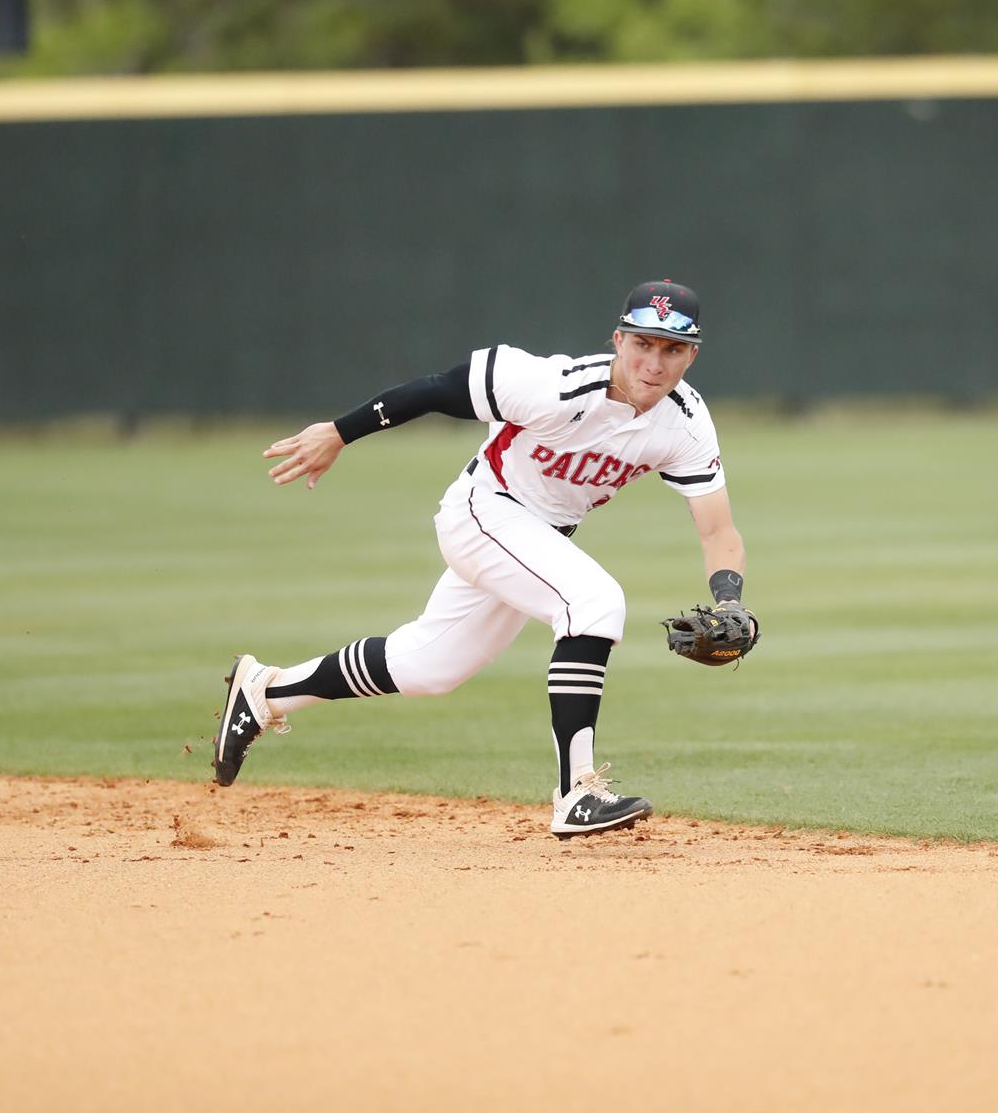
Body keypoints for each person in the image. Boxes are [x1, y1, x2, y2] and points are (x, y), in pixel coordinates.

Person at [210, 280, 757, 837]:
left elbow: (718, 528)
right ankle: (577, 793)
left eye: (671, 348)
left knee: (429, 667)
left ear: (692, 354)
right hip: (484, 512)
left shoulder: (685, 421)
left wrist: (732, 601)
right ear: (618, 340)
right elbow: (435, 389)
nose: (654, 361)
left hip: (539, 538)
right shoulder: (553, 387)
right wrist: (338, 432)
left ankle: (265, 692)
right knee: (593, 602)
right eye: (643, 342)